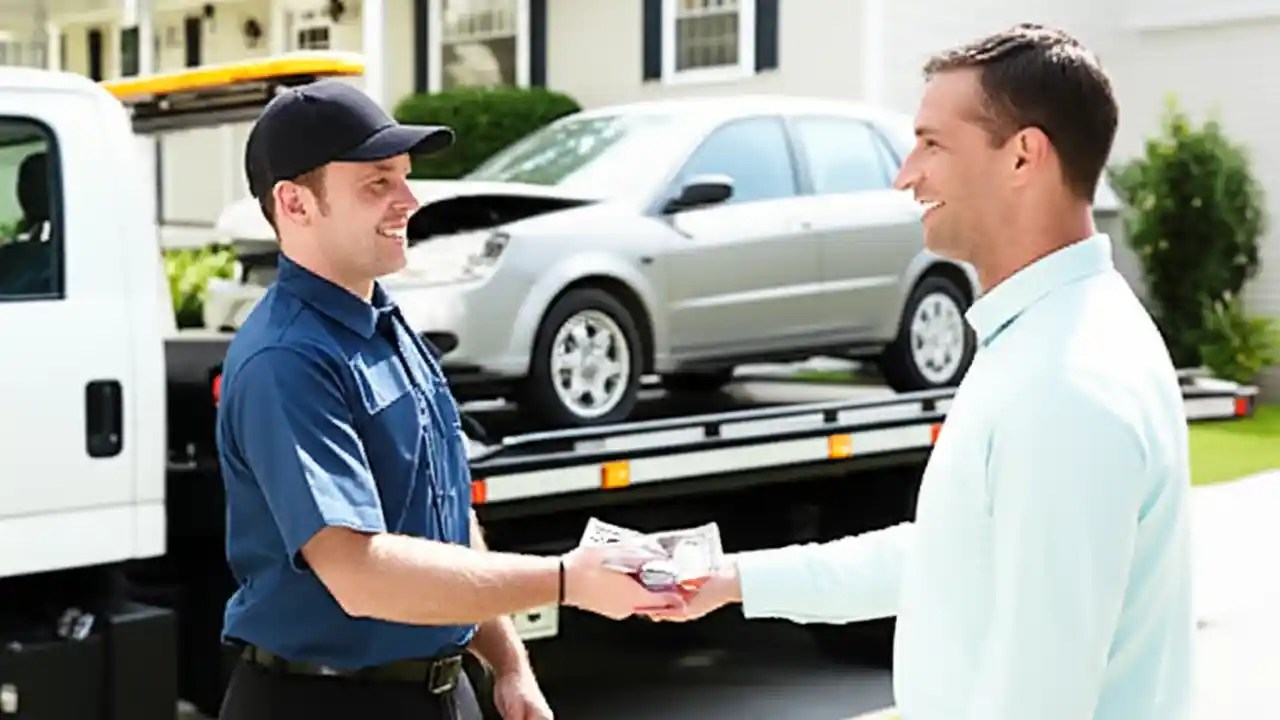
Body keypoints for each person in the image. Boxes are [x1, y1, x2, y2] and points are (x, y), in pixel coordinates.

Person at [649, 23, 1196, 720]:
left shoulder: (1066, 383)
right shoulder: (1052, 335)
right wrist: (733, 580)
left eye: (932, 143)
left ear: (1024, 157)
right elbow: (954, 557)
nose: (906, 173)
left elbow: (1041, 698)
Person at [213, 78, 684, 720]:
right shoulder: (286, 359)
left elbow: (445, 518)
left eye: (405, 177)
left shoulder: (384, 321)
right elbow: (358, 573)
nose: (409, 200)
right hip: (323, 702)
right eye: (377, 183)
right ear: (295, 204)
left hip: (440, 693)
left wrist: (509, 663)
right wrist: (568, 580)